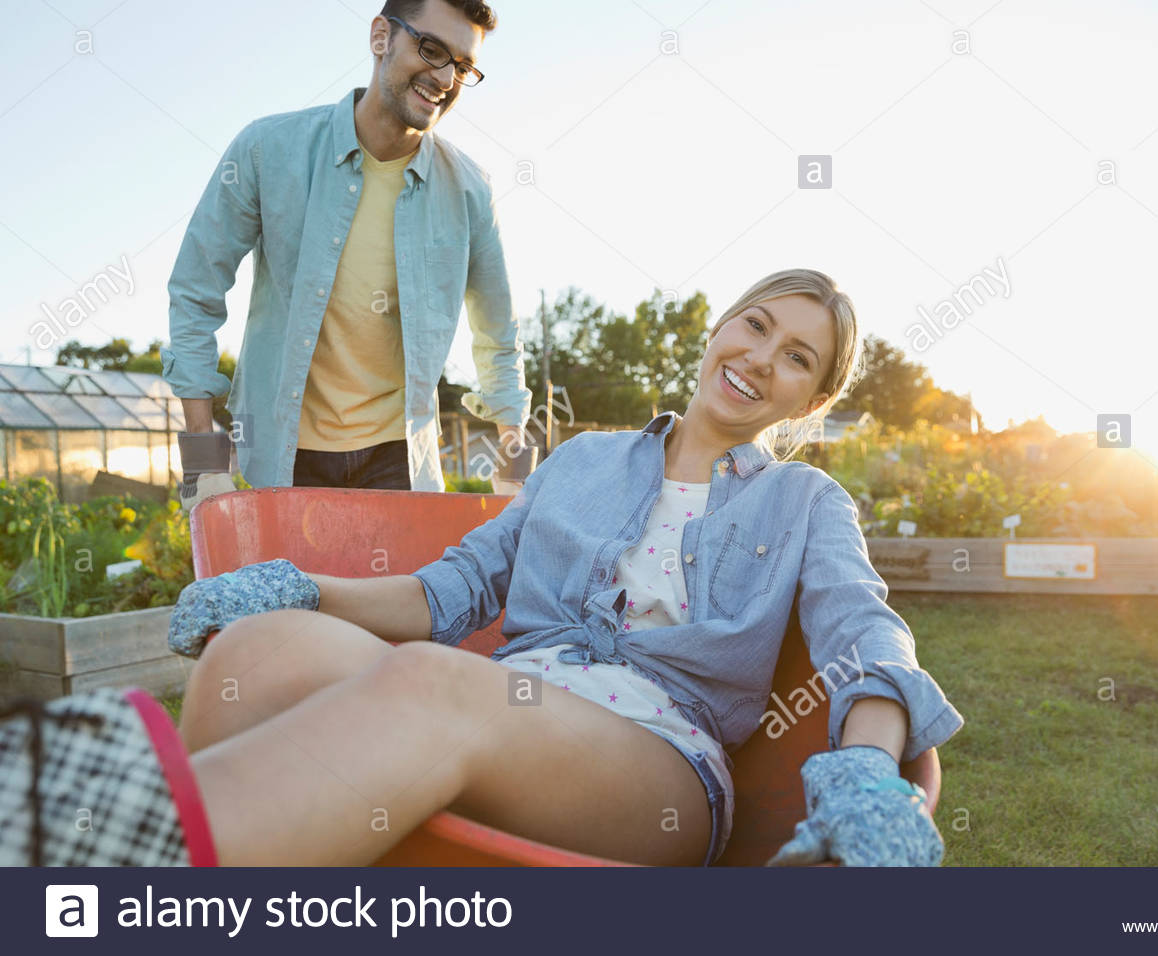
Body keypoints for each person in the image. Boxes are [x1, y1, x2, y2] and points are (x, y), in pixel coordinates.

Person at [0, 269, 963, 867]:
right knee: (262, 652)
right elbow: (450, 592)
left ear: (811, 397)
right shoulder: (583, 462)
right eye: (755, 325)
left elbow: (867, 641)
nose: (760, 357)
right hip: (503, 706)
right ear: (720, 326)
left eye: (797, 357)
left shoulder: (804, 505)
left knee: (442, 685)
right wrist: (297, 587)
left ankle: (109, 871)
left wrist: (871, 771)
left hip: (653, 767)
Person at [161, 0, 532, 512]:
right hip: (284, 458)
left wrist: (515, 469)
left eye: (463, 67)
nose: (445, 78)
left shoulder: (470, 190)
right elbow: (195, 290)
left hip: (400, 464)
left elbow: (498, 333)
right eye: (431, 50)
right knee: (290, 595)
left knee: (399, 594)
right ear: (381, 37)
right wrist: (203, 455)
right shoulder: (267, 150)